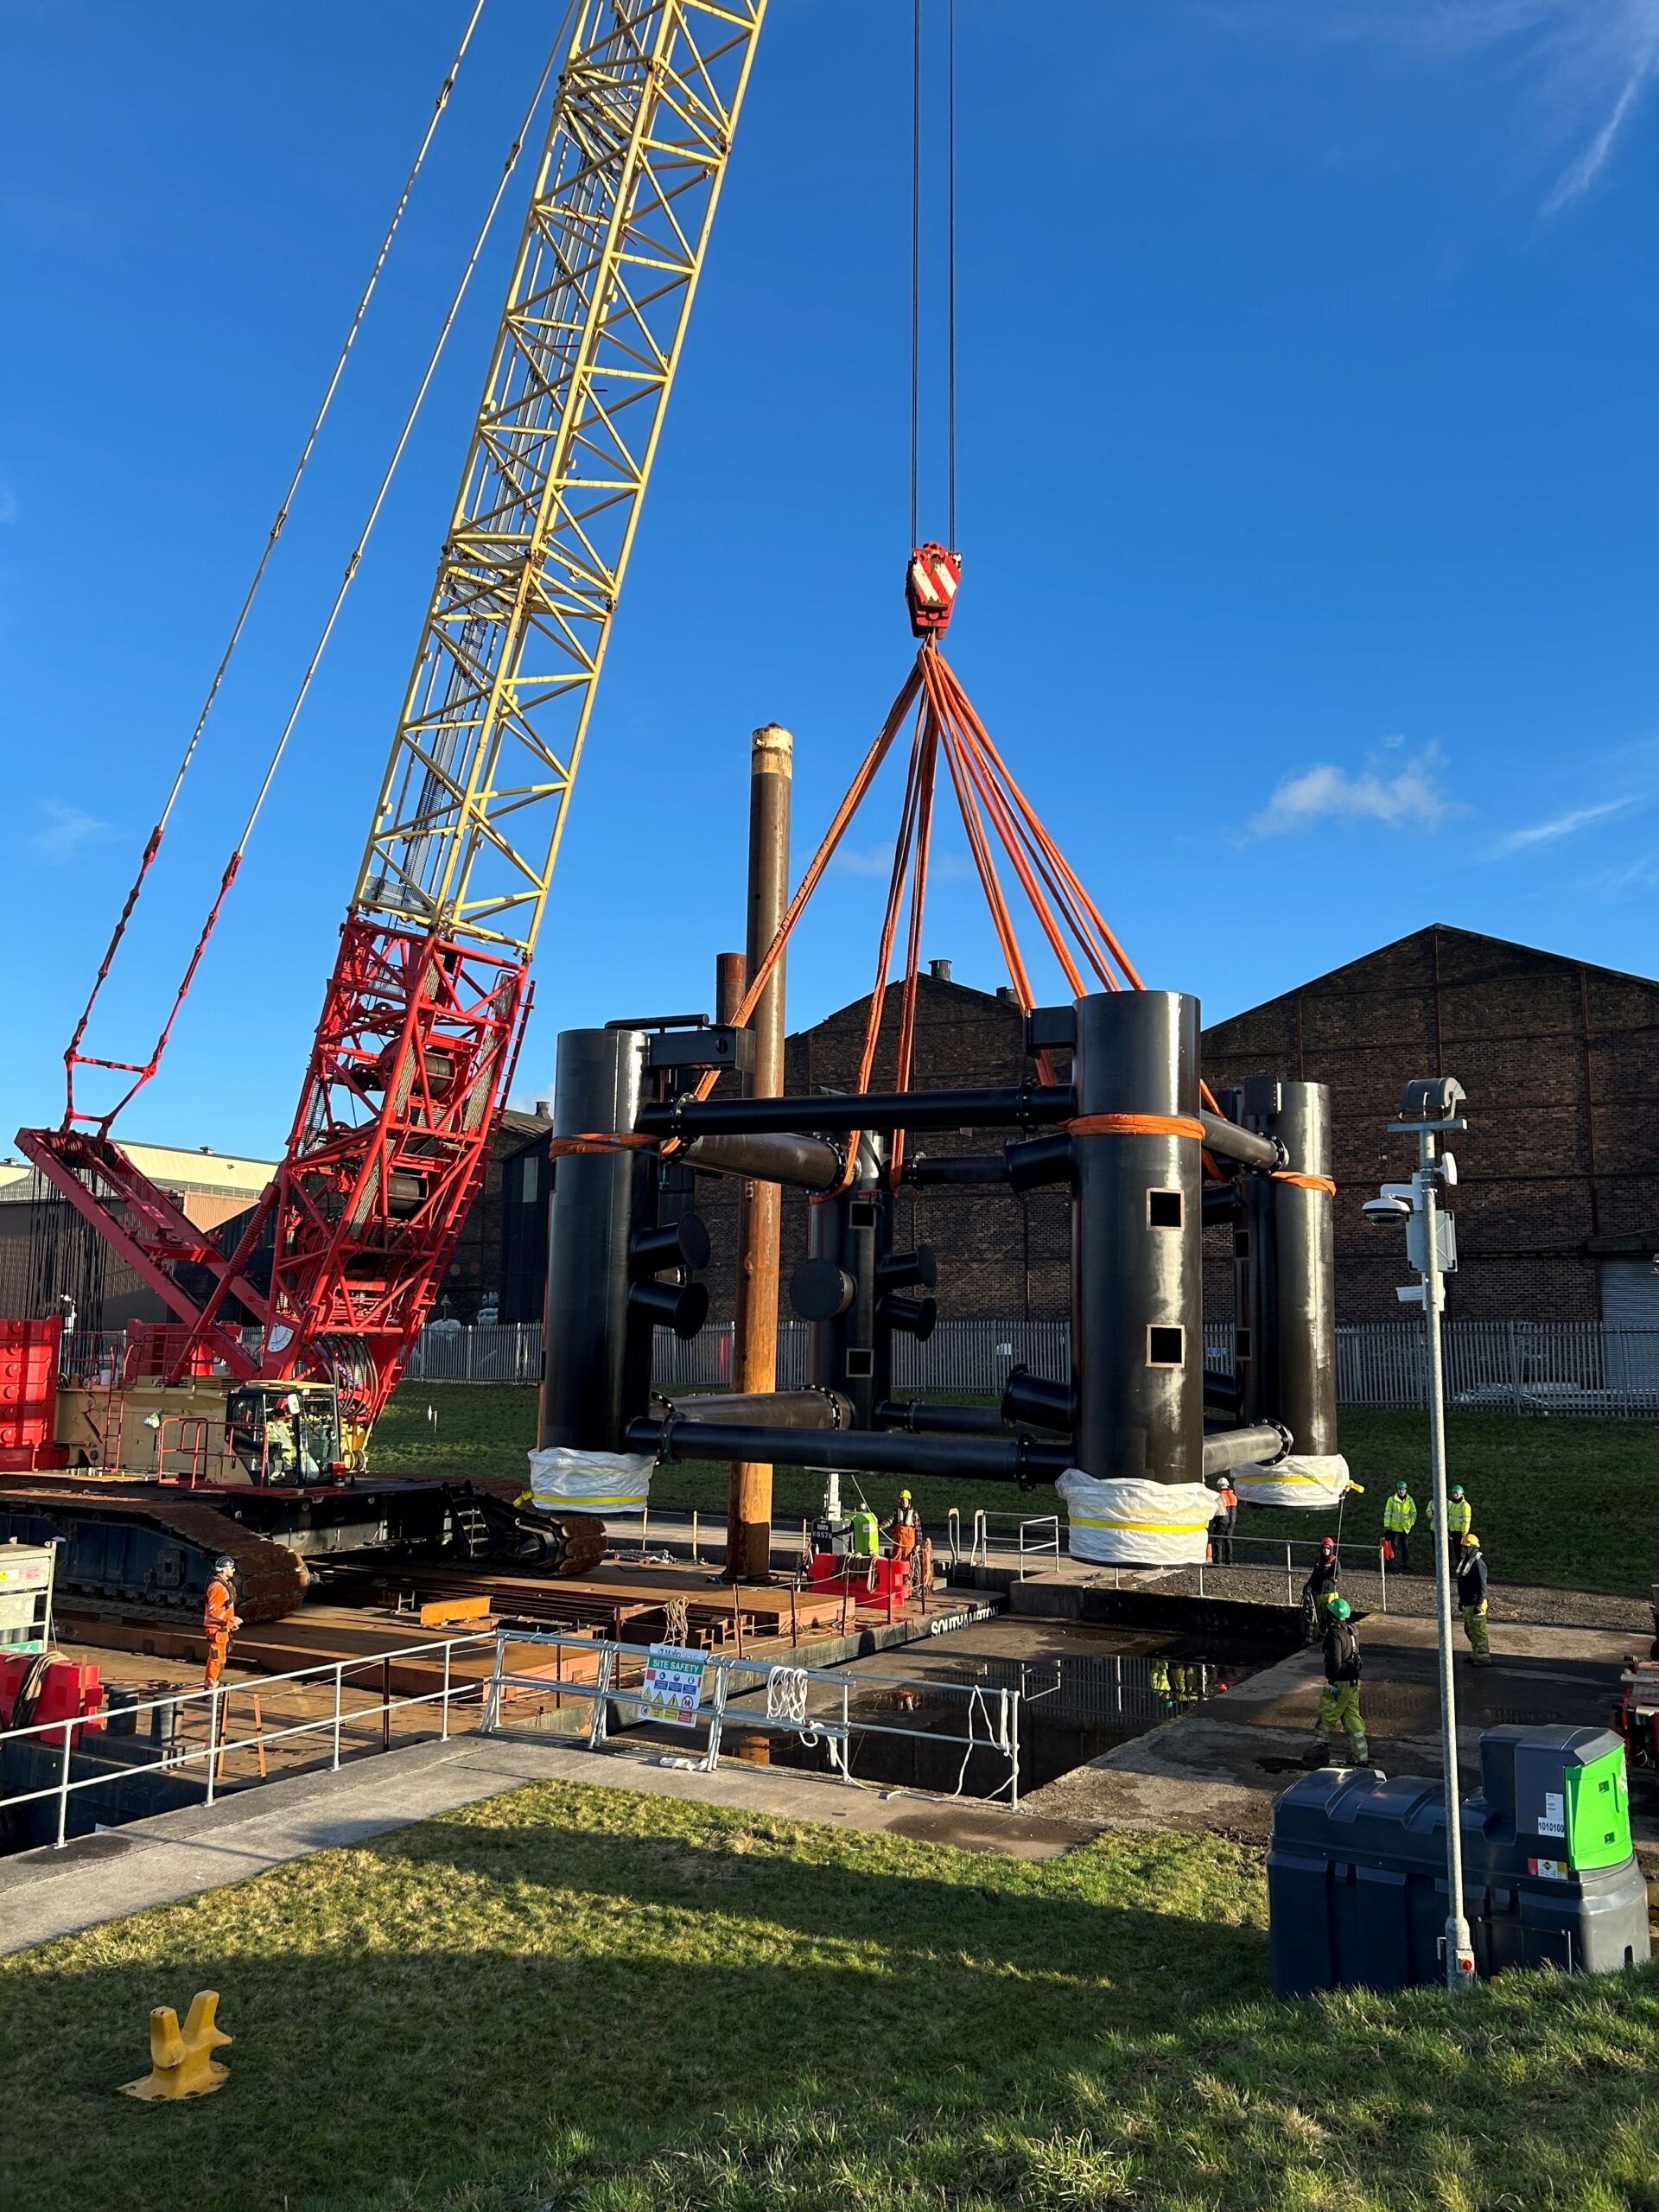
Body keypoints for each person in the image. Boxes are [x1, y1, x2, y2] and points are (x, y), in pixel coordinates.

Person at [1313, 1595, 1370, 1765]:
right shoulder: (1352, 1631)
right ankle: (1361, 1758)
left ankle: (1318, 1753)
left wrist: (1331, 1681)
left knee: (1327, 1716)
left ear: (1331, 1615)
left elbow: (1335, 1660)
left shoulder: (1334, 1634)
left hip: (1340, 1683)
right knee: (1352, 1718)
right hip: (1354, 1682)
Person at [201, 1555, 242, 1690]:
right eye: (231, 1568)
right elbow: (214, 1611)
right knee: (216, 1659)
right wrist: (230, 1620)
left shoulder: (225, 1585)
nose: (234, 1570)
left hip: (222, 1629)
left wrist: (230, 1623)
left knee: (220, 1659)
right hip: (216, 1630)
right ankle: (210, 1688)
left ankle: (214, 1684)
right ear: (224, 1570)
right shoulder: (218, 1587)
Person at [1457, 1532, 1491, 1667]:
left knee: (1479, 1631)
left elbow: (1483, 1585)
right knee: (1470, 1629)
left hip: (1476, 1603)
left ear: (1472, 1549)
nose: (1463, 1550)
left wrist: (1479, 1603)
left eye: (1466, 1547)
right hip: (1468, 1603)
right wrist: (1461, 1600)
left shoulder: (1478, 1564)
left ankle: (1483, 1657)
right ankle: (1475, 1654)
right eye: (1462, 1547)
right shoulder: (1466, 1563)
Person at [1301, 1535, 1341, 1642]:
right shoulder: (1318, 1561)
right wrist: (1308, 1585)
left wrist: (1335, 1579)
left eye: (1328, 1548)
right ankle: (1313, 1638)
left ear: (1331, 1549)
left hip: (1329, 1594)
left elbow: (1338, 1575)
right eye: (1324, 1548)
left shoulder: (1335, 1562)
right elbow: (1314, 1574)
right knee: (1315, 1617)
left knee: (1329, 1618)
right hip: (1318, 1593)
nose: (1326, 1550)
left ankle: (1329, 1638)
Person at [1428, 1481, 1471, 1575]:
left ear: (1462, 1494)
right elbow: (1451, 1518)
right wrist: (1448, 1529)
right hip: (1453, 1531)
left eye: (1457, 1493)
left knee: (1461, 1553)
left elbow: (1466, 1520)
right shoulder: (1452, 1505)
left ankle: (1463, 1570)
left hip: (1461, 1532)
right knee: (1456, 1551)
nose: (1455, 1495)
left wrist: (1464, 1533)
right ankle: (1458, 1569)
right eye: (1454, 1493)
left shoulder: (1465, 1506)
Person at [1382, 1479, 1417, 1574]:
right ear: (1397, 1490)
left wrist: (1411, 1523)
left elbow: (1413, 1513)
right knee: (1393, 1546)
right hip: (1394, 1528)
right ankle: (1391, 1564)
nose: (1401, 1491)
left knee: (1405, 1547)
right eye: (1399, 1489)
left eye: (1403, 1489)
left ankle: (1406, 1564)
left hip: (1405, 1528)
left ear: (1406, 1490)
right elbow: (1388, 1513)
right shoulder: (1391, 1500)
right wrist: (1387, 1526)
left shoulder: (1410, 1501)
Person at [885, 1489, 921, 1562]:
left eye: (906, 1500)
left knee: (908, 1563)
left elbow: (918, 1531)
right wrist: (881, 1526)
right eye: (903, 1500)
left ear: (909, 1501)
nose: (905, 1502)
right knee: (895, 1562)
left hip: (909, 1547)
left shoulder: (914, 1514)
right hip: (898, 1545)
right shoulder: (896, 1512)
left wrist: (918, 1545)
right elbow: (889, 1520)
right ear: (900, 1501)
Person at [1208, 1478, 1237, 1567]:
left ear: (1219, 1486)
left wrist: (1214, 1521)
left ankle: (1218, 1562)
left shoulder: (1219, 1496)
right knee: (1228, 1541)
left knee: (1218, 1540)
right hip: (1232, 1522)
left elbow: (1217, 1511)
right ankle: (1229, 1561)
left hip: (1222, 1521)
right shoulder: (1233, 1496)